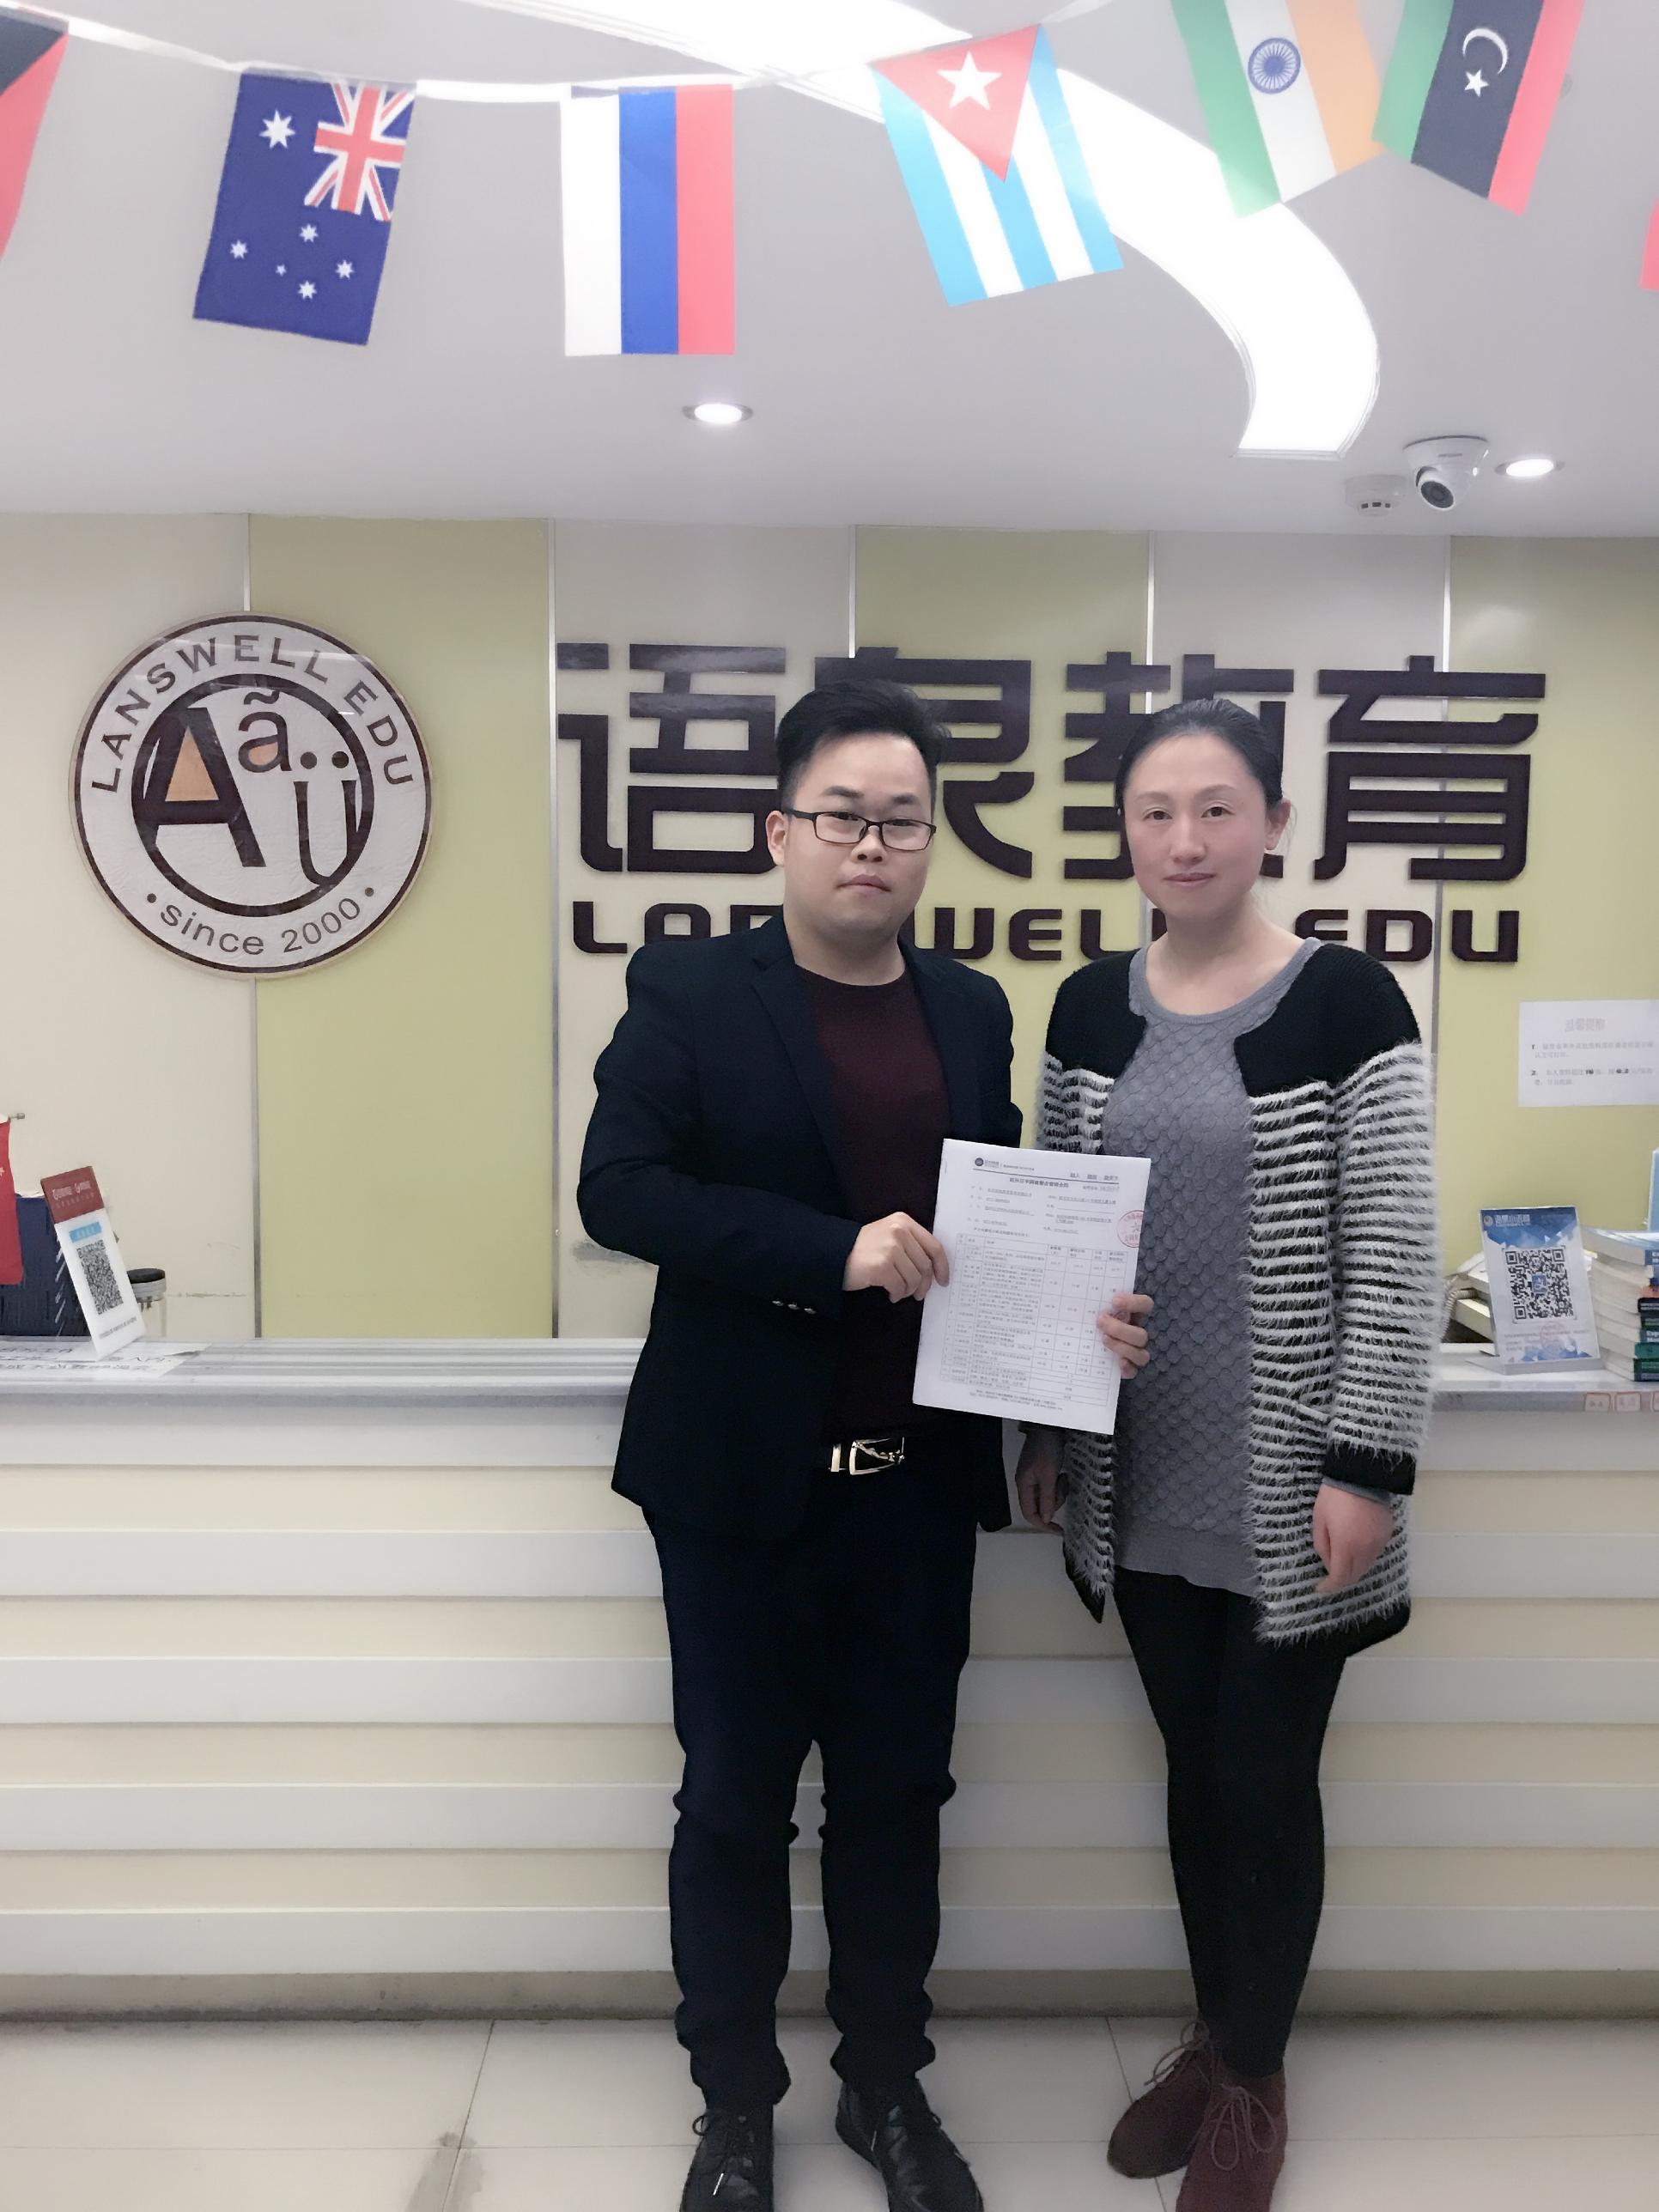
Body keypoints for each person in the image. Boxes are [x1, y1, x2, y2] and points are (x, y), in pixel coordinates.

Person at [580, 678, 1153, 2212]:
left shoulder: (966, 1008)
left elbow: (998, 1228)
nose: (873, 846)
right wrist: (825, 1252)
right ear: (783, 832)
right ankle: (734, 2107)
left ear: (930, 841)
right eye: (843, 817)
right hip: (737, 1488)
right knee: (732, 1803)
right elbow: (618, 1190)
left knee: (900, 1799)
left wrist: (1068, 1350)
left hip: (914, 1489)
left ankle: (884, 2085)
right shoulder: (692, 991)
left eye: (903, 821)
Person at [1016, 697, 1440, 2212]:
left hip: (1291, 1490)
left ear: (1273, 821)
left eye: (1215, 808)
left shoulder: (1348, 1003)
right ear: (1124, 833)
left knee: (1265, 1786)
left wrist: (1364, 1466)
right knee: (1195, 1781)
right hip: (1140, 1475)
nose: (1184, 840)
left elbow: (1396, 1252)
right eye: (1154, 812)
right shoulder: (1088, 1007)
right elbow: (1053, 1239)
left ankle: (1255, 2082)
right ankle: (1219, 2037)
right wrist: (1049, 1420)